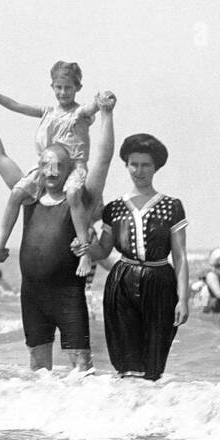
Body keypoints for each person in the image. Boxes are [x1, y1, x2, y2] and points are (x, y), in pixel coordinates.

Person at [0, 87, 117, 371]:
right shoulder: (29, 195)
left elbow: (102, 159)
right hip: (32, 296)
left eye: (59, 168)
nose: (52, 173)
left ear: (70, 170)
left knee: (82, 369)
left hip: (68, 296)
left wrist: (106, 116)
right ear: (39, 167)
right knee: (38, 371)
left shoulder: (80, 198)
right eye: (46, 167)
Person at [0, 62, 112, 278]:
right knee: (16, 193)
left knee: (72, 194)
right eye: (58, 87)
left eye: (68, 88)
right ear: (52, 86)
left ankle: (84, 251)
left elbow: (92, 107)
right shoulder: (47, 112)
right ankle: (0, 245)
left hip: (73, 168)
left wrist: (102, 101)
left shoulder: (79, 113)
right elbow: (17, 106)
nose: (63, 92)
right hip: (46, 166)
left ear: (78, 88)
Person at [77, 133, 190, 380]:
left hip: (161, 282)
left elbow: (180, 258)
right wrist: (86, 248)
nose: (139, 171)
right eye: (134, 164)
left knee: (153, 365)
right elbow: (104, 251)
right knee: (126, 365)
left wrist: (183, 299)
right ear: (126, 165)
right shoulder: (114, 208)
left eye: (146, 165)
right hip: (121, 284)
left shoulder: (172, 206)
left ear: (156, 167)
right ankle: (126, 412)